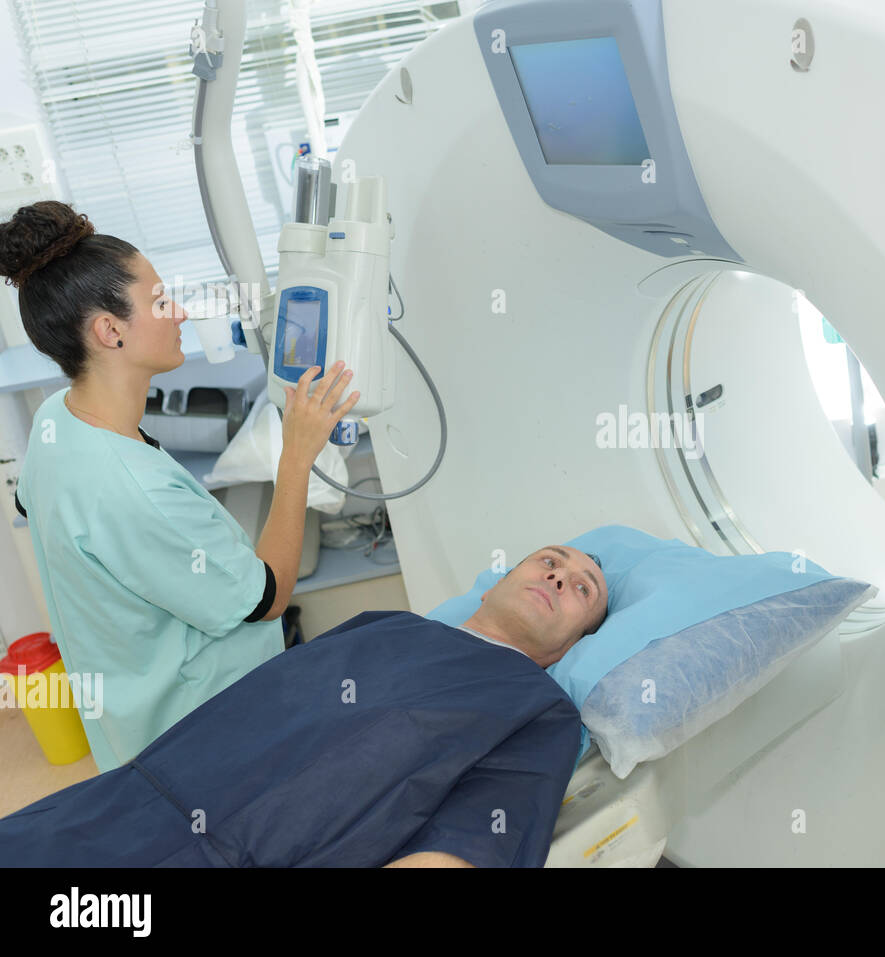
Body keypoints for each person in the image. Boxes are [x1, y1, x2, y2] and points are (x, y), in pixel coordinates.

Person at [0, 200, 362, 772]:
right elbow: (267, 600)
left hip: (128, 725)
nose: (183, 315)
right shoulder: (133, 491)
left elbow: (49, 505)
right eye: (162, 301)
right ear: (109, 330)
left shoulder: (55, 419)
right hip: (205, 737)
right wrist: (295, 457)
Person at [0, 545, 608, 868]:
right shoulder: (385, 624)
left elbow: (470, 846)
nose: (559, 576)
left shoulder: (538, 709)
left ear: (574, 644)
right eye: (549, 561)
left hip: (233, 851)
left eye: (583, 588)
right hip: (130, 793)